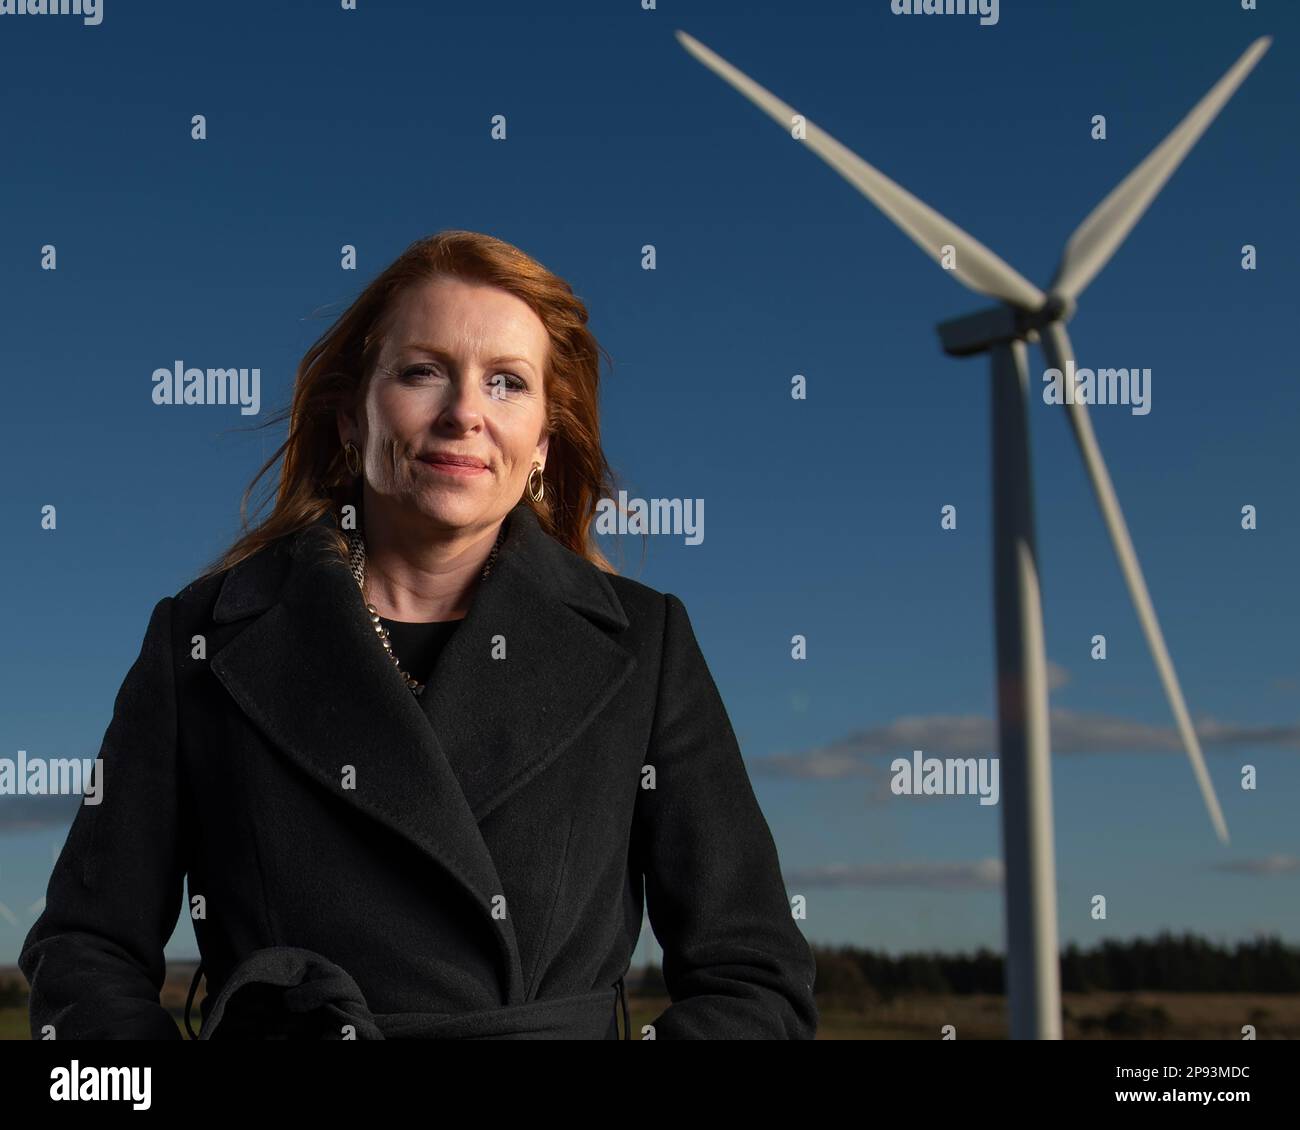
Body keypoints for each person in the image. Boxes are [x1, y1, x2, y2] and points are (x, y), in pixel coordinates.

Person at [19, 230, 818, 1040]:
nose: (465, 413)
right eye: (422, 372)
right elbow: (84, 952)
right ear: (350, 418)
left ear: (542, 443)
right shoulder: (199, 638)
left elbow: (755, 980)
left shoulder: (647, 645)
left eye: (506, 383)